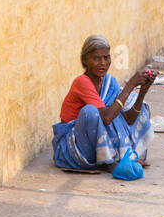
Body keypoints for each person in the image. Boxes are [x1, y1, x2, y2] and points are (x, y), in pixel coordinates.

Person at [52, 35, 155, 173]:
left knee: (137, 106)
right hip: (75, 147)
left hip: (95, 145)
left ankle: (119, 155)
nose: (103, 63)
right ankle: (109, 161)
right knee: (91, 111)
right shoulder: (82, 82)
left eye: (106, 58)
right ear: (85, 60)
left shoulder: (108, 82)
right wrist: (130, 85)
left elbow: (129, 119)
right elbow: (106, 118)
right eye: (96, 58)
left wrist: (142, 91)